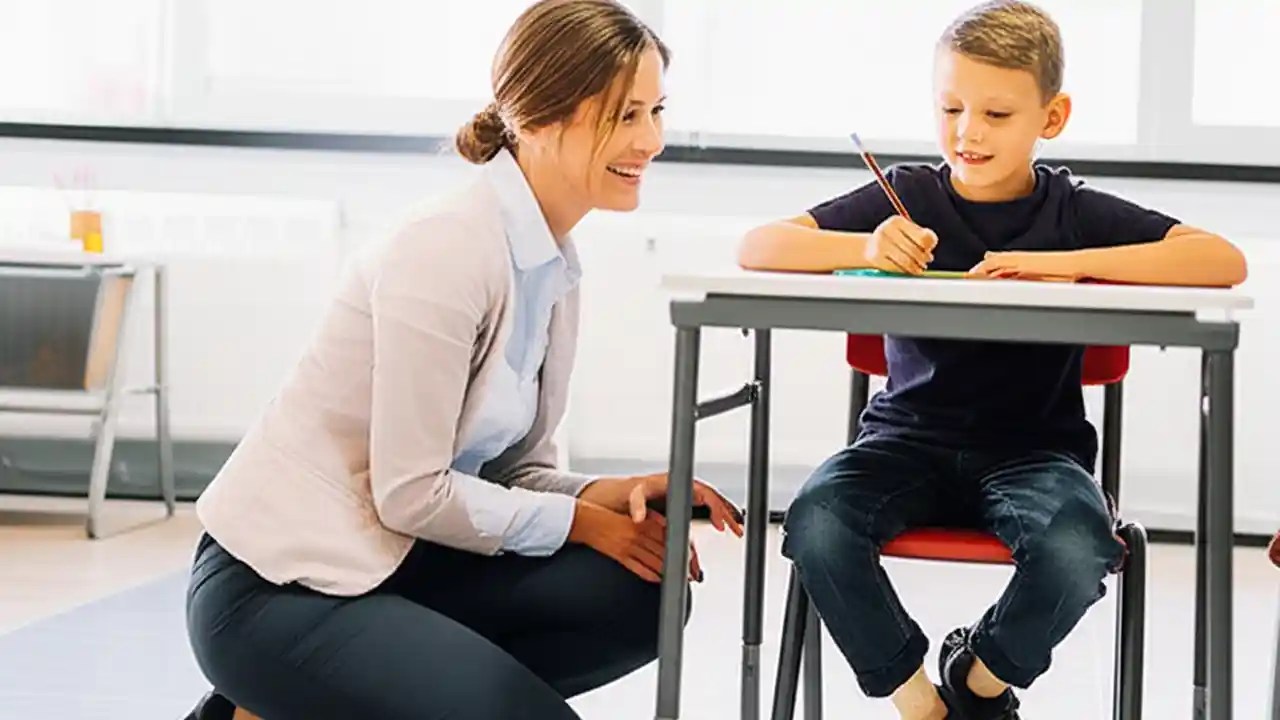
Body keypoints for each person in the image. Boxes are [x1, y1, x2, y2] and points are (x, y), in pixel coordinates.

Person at [184, 2, 743, 719]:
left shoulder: (552, 266)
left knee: (643, 595)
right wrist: (579, 524)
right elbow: (411, 492)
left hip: (398, 560)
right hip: (280, 585)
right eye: (626, 115)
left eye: (657, 111)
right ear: (543, 117)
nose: (653, 140)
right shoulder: (447, 247)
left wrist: (606, 492)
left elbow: (512, 472)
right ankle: (274, 696)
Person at [738, 2, 1247, 719]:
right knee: (817, 524)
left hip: (1034, 453)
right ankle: (923, 707)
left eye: (997, 115)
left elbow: (1221, 260)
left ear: (1053, 116)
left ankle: (978, 674)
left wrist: (1071, 266)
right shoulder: (908, 196)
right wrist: (863, 247)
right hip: (900, 444)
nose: (968, 132)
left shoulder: (1068, 210)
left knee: (1078, 549)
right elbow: (759, 247)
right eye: (950, 108)